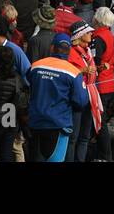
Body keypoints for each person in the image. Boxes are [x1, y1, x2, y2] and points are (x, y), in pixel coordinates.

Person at [27, 33, 90, 162]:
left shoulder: (36, 66)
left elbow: (27, 88)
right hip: (58, 125)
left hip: (35, 122)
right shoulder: (73, 72)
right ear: (69, 51)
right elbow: (81, 101)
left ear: (52, 48)